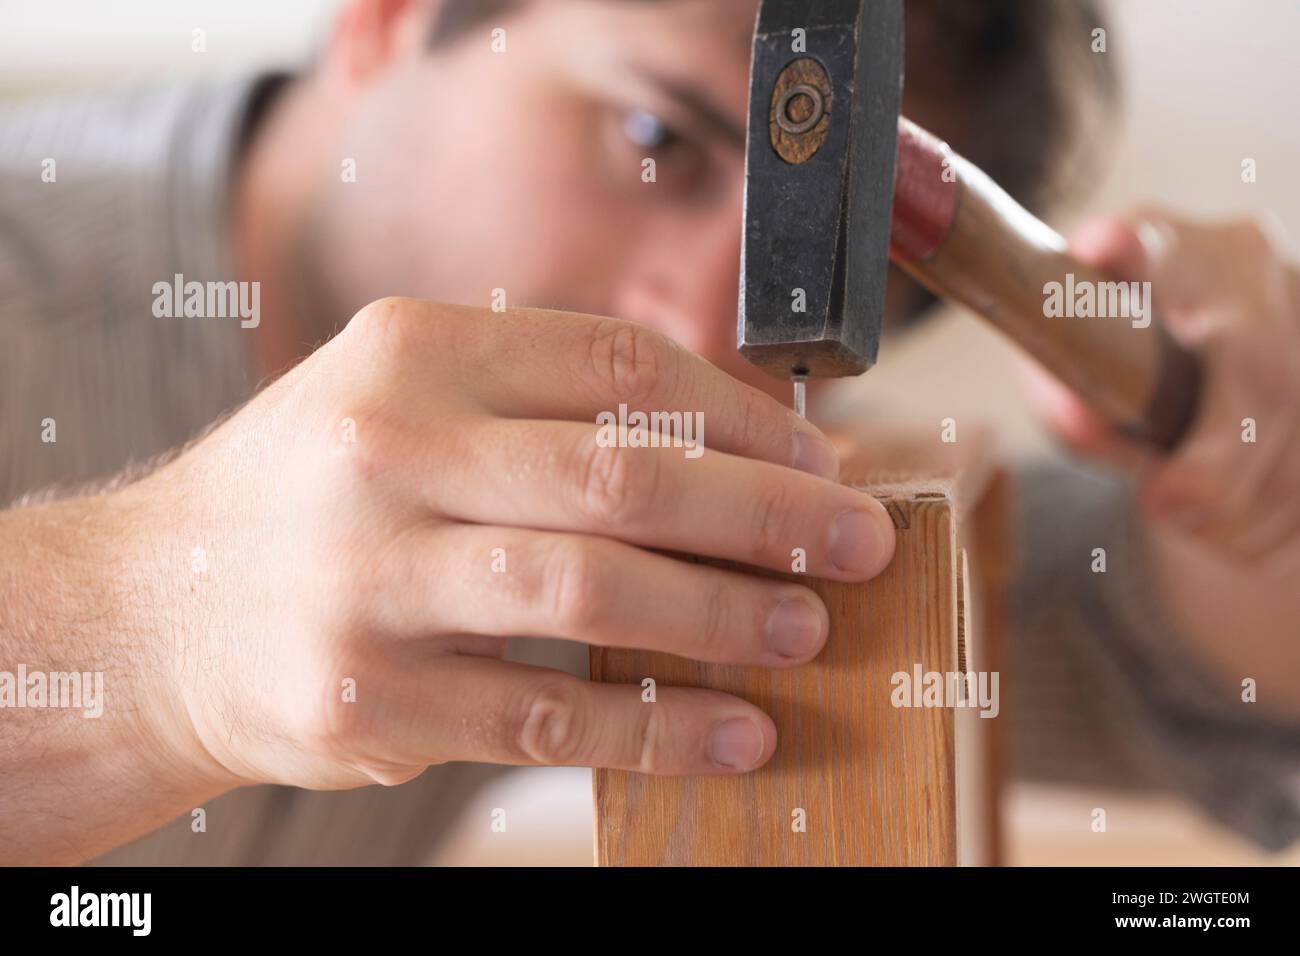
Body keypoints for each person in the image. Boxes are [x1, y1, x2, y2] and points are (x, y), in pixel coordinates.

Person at [1, 0, 1296, 866]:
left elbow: (1177, 656)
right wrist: (144, 631)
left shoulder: (651, 478)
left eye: (858, 265)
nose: (700, 323)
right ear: (388, 17)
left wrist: (1258, 472)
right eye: (653, 138)